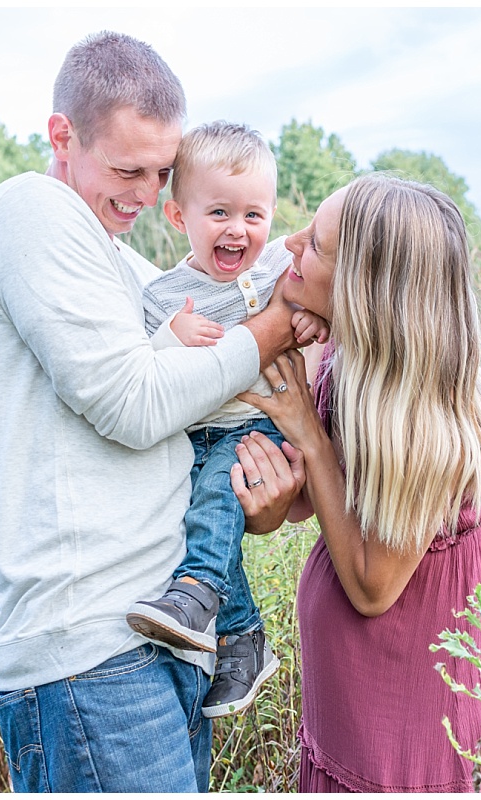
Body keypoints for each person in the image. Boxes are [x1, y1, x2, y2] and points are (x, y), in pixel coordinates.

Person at [0, 32, 297, 793]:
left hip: (166, 638)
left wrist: (262, 495)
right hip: (90, 651)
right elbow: (134, 404)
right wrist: (272, 328)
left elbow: (199, 410)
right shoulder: (33, 211)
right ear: (62, 136)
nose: (146, 195)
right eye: (127, 169)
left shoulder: (132, 268)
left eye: (160, 172)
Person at [232, 174, 481, 792]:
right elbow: (302, 506)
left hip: (410, 747)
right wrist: (267, 499)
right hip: (351, 728)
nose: (288, 243)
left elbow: (372, 588)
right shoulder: (348, 368)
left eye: (314, 244)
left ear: (365, 288)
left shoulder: (430, 421)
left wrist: (308, 436)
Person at [125, 121, 329, 719]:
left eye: (254, 215)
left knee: (217, 493)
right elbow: (141, 371)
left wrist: (318, 320)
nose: (237, 229)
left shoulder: (274, 277)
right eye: (218, 212)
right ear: (176, 215)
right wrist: (171, 337)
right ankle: (242, 636)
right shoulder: (164, 297)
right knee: (196, 514)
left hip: (257, 420)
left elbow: (319, 297)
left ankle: (197, 596)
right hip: (196, 429)